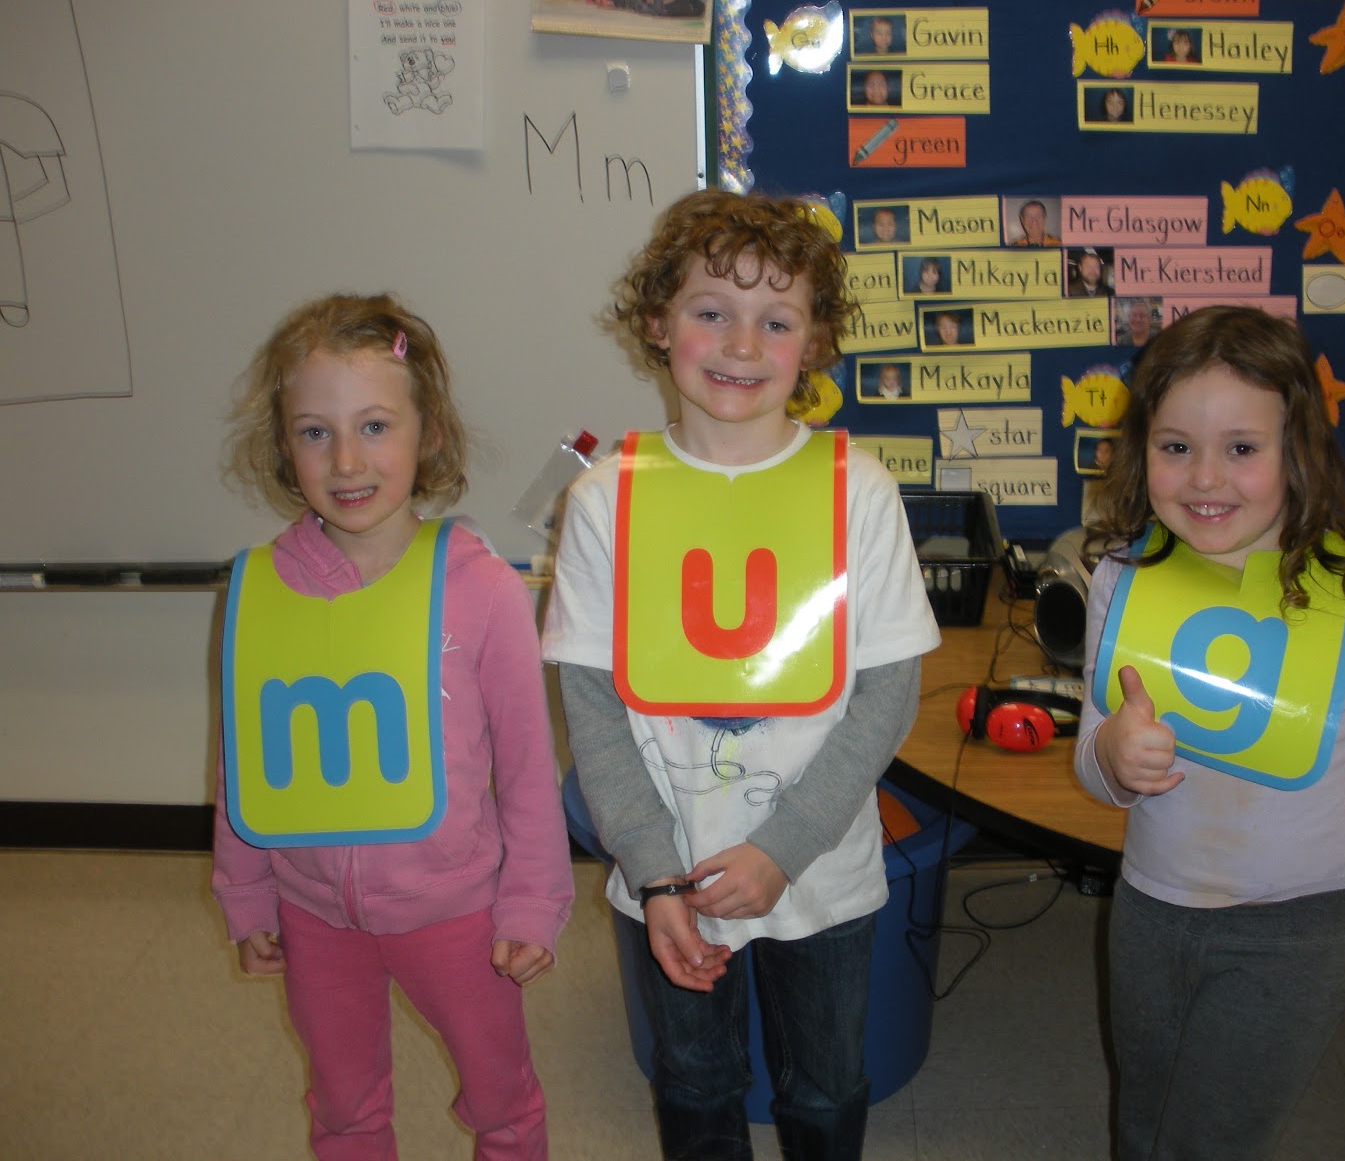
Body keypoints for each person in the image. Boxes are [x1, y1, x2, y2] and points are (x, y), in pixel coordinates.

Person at [542, 189, 940, 1161]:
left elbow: (888, 693)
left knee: (825, 1087)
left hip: (822, 869)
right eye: (709, 309)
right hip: (667, 875)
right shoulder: (602, 503)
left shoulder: (859, 490)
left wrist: (784, 848)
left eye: (776, 319)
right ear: (657, 323)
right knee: (693, 1083)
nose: (741, 343)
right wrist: (653, 871)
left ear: (813, 343)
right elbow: (592, 708)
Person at [1074, 306, 1345, 1161]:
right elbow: (1095, 764)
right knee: (1143, 1116)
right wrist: (1113, 758)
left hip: (1296, 930)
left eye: (1242, 448)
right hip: (1152, 910)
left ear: (1296, 449)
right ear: (1142, 450)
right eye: (1175, 447)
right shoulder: (1123, 577)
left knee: (1213, 1138)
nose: (1206, 478)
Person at [210, 293, 575, 1161]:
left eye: (375, 425)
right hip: (312, 912)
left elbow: (526, 770)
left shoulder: (480, 591)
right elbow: (243, 759)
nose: (346, 460)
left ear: (429, 432)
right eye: (314, 432)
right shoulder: (257, 592)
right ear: (282, 444)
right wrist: (246, 889)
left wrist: (533, 901)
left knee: (499, 1097)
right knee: (342, 1104)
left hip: (455, 911)